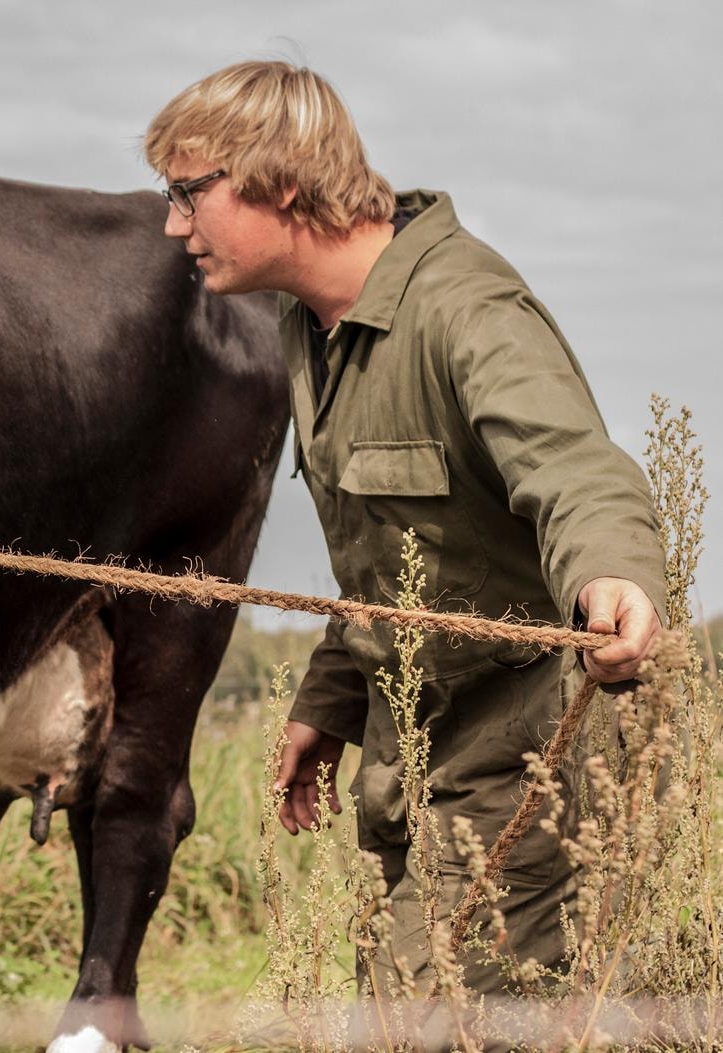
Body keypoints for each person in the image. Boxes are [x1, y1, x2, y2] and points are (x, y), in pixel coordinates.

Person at [143, 61, 667, 1001]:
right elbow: (387, 557)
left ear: (283, 179)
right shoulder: (312, 329)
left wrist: (611, 575)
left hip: (522, 764)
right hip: (409, 761)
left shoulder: (469, 312)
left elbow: (578, 468)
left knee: (429, 1018)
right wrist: (332, 700)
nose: (174, 224)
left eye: (190, 193)